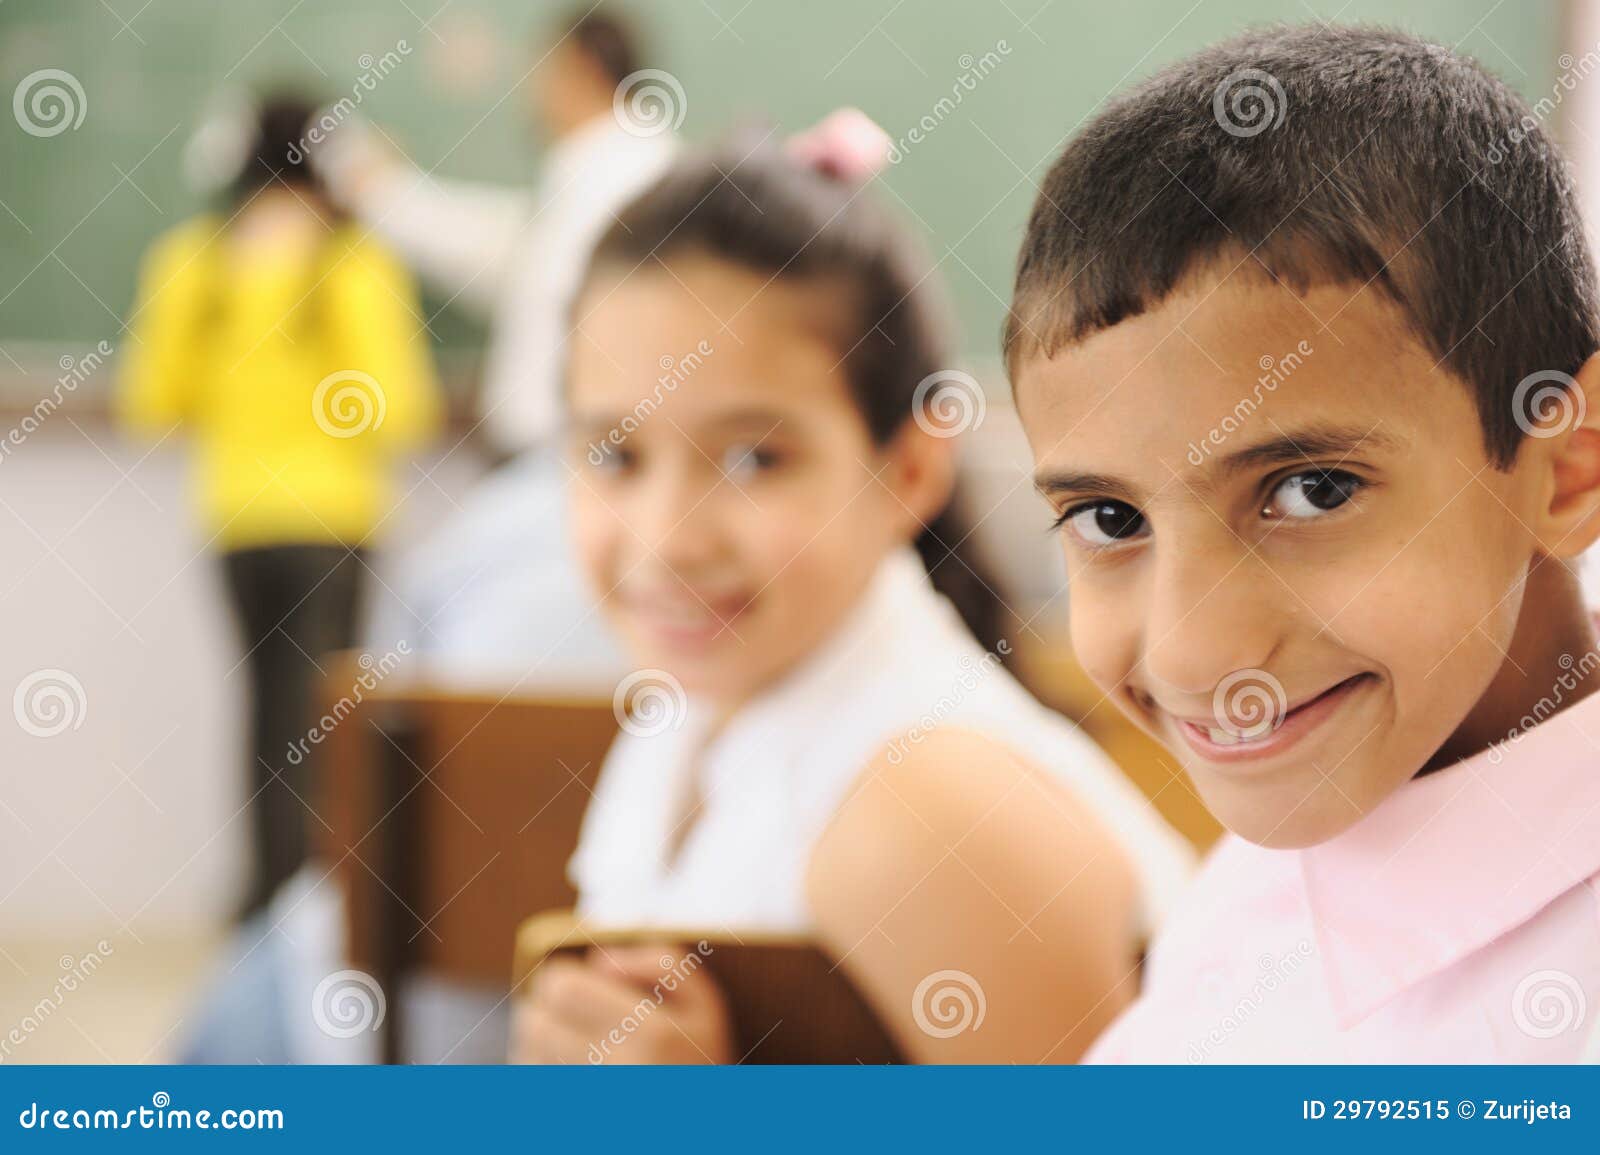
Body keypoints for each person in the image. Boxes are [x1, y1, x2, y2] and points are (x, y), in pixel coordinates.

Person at [510, 114, 1194, 1065]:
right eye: (615, 455)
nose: (666, 541)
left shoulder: (927, 815)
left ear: (909, 468)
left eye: (754, 458)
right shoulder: (697, 712)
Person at [1007, 25, 1600, 1061]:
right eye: (1110, 519)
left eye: (1311, 491)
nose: (1193, 655)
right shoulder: (1268, 871)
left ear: (1566, 473)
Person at [117, 94, 441, 921]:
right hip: (335, 522)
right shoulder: (354, 260)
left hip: (237, 522)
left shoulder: (191, 259)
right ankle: (316, 909)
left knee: (268, 712)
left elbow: (152, 402)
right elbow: (401, 407)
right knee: (323, 718)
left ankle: (269, 901)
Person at [315, 6, 678, 457]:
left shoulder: (625, 174)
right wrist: (384, 191)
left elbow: (514, 264)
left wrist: (383, 191)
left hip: (573, 450)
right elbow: (508, 254)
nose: (531, 92)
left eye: (542, 70)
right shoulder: (598, 170)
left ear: (580, 68)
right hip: (561, 451)